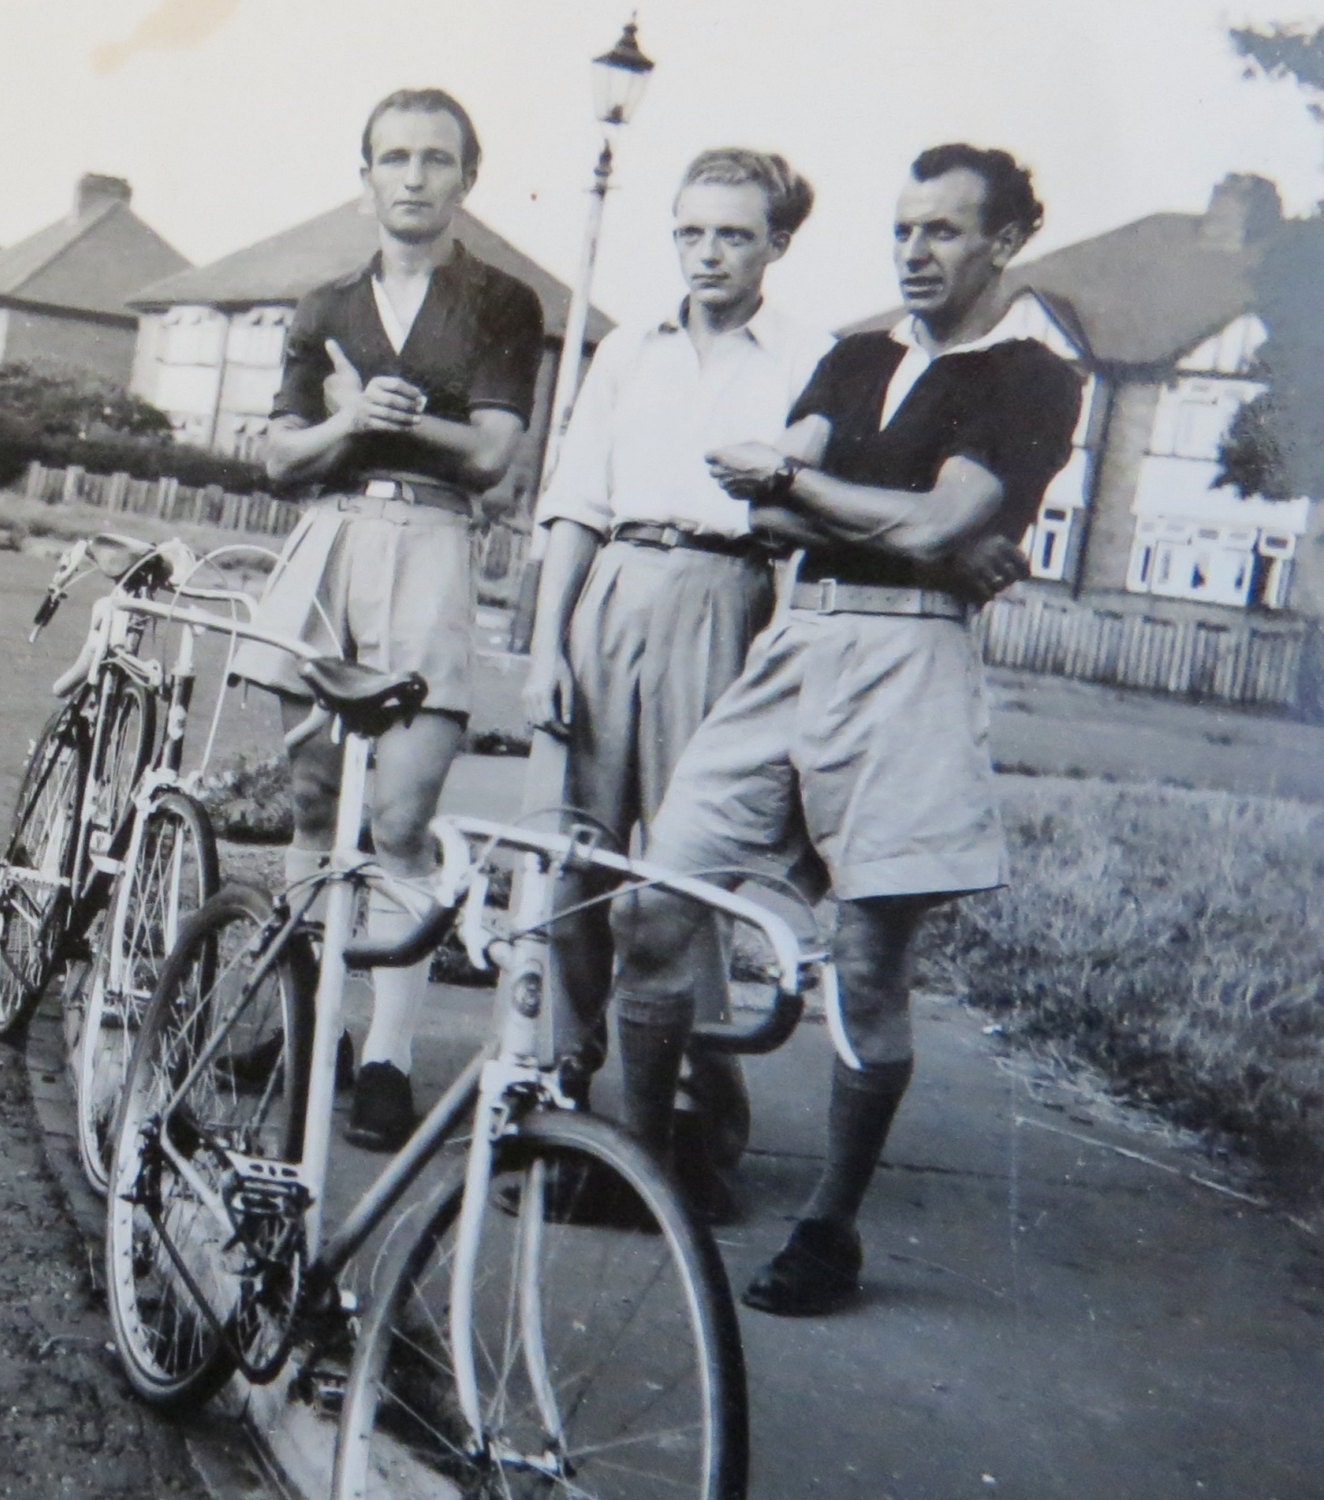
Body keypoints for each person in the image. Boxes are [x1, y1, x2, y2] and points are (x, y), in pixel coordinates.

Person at [607, 143, 1083, 1310]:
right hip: (797, 641)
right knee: (659, 902)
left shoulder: (1031, 377)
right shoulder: (857, 352)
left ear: (1003, 243)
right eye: (904, 228)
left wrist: (835, 501)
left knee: (870, 962)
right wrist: (888, 516)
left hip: (912, 660)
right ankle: (637, 1163)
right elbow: (774, 509)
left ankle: (828, 1231)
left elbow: (932, 528)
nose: (915, 252)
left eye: (945, 231)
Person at [233, 88, 544, 1150]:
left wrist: (416, 424)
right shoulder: (324, 310)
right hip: (330, 543)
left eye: (438, 159)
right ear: (365, 174)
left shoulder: (499, 303)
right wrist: (347, 421)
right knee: (315, 800)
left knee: (403, 818)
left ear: (467, 177)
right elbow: (279, 457)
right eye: (395, 158)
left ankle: (387, 1057)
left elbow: (498, 456)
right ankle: (301, 1022)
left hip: (431, 548)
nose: (415, 177)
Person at [522, 148, 827, 1219]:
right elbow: (575, 502)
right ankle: (566, 1102)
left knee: (684, 883)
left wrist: (784, 666)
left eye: (734, 234)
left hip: (726, 597)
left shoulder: (805, 358)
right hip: (612, 589)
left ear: (777, 244)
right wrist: (548, 645)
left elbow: (807, 530)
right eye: (691, 232)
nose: (708, 254)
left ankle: (693, 1129)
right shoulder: (628, 353)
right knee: (577, 866)